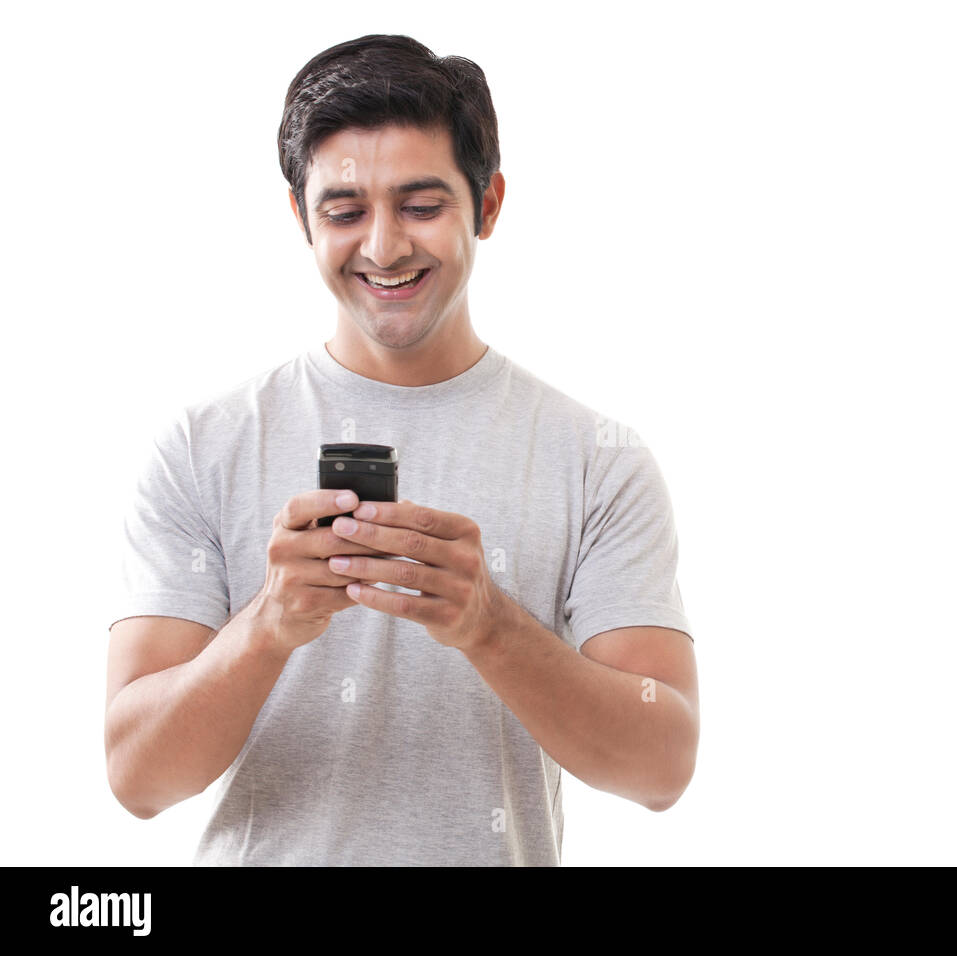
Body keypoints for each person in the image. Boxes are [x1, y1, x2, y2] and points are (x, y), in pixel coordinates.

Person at [104, 34, 699, 866]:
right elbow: (137, 778)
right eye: (345, 212)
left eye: (422, 206)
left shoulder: (597, 459)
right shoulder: (203, 448)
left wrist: (489, 626)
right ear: (301, 218)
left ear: (488, 205)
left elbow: (661, 767)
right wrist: (269, 626)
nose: (383, 247)